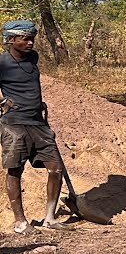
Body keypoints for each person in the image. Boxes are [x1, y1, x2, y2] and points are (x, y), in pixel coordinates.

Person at [0, 20, 74, 233]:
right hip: (14, 124)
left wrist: (37, 104)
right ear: (11, 40)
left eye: (32, 38)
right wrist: (3, 101)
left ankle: (50, 218)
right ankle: (20, 222)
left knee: (56, 168)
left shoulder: (33, 58)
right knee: (15, 170)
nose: (30, 42)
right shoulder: (2, 63)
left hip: (38, 123)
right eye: (25, 39)